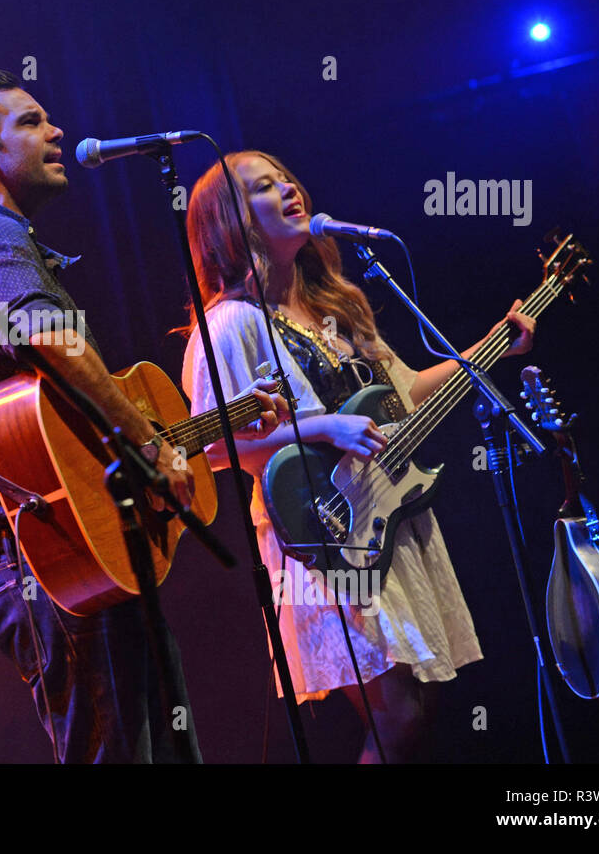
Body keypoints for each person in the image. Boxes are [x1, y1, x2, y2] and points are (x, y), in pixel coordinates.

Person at [0, 69, 284, 763]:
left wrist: (195, 432)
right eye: (30, 122)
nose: (56, 132)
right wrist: (151, 444)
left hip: (75, 546)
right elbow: (48, 337)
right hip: (39, 554)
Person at [180, 150, 534, 763]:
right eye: (265, 187)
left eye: (288, 177)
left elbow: (407, 390)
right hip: (321, 538)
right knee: (400, 713)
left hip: (386, 514)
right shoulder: (231, 324)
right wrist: (325, 428)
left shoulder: (334, 305)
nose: (289, 188)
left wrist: (493, 347)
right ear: (230, 222)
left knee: (423, 703)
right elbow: (212, 446)